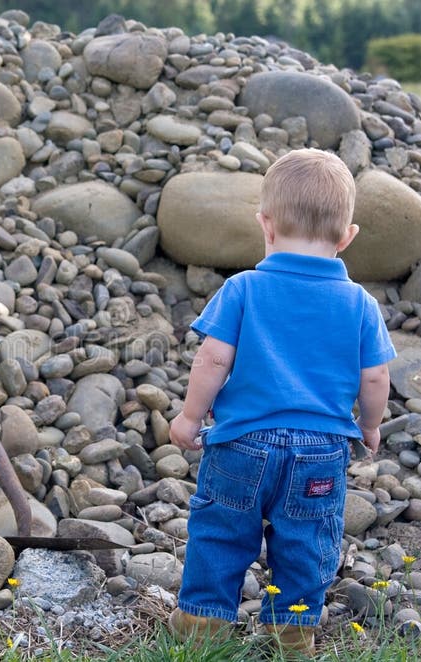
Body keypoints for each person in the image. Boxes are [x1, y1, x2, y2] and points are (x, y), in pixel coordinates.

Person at [166, 148, 395, 657]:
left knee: (222, 530)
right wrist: (371, 426)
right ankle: (291, 630)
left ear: (265, 226)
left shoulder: (243, 288)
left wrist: (188, 416)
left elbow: (212, 360)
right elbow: (375, 376)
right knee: (307, 539)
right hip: (321, 450)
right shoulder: (360, 303)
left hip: (240, 444)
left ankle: (203, 624)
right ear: (347, 236)